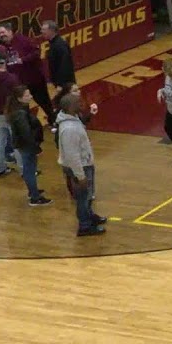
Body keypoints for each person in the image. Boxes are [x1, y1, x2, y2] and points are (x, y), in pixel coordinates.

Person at [57, 93, 105, 236]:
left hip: (85, 163)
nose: (82, 104)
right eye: (78, 103)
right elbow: (72, 155)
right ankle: (84, 226)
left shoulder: (73, 118)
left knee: (88, 194)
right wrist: (80, 175)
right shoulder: (69, 129)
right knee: (82, 197)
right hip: (79, 167)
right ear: (71, 107)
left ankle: (90, 216)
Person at [0, 25, 54, 125]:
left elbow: (36, 52)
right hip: (19, 84)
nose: (1, 35)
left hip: (35, 80)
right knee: (23, 107)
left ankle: (54, 122)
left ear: (10, 31)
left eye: (3, 32)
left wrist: (23, 60)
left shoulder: (22, 40)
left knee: (45, 103)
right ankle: (28, 128)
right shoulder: (1, 47)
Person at [5, 85, 49, 206]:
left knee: (30, 169)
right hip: (27, 146)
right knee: (29, 170)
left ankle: (33, 190)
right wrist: (36, 148)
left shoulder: (20, 108)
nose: (31, 96)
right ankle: (34, 197)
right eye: (27, 95)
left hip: (25, 145)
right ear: (19, 98)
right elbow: (26, 133)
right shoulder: (20, 113)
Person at [0, 48, 21, 176]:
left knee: (0, 141)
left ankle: (0, 168)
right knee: (17, 142)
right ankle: (24, 170)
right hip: (11, 113)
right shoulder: (12, 79)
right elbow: (19, 96)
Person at [42, 21, 76, 93]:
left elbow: (65, 65)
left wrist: (60, 84)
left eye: (44, 29)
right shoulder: (54, 43)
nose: (41, 31)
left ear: (51, 31)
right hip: (63, 84)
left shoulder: (60, 45)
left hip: (66, 85)